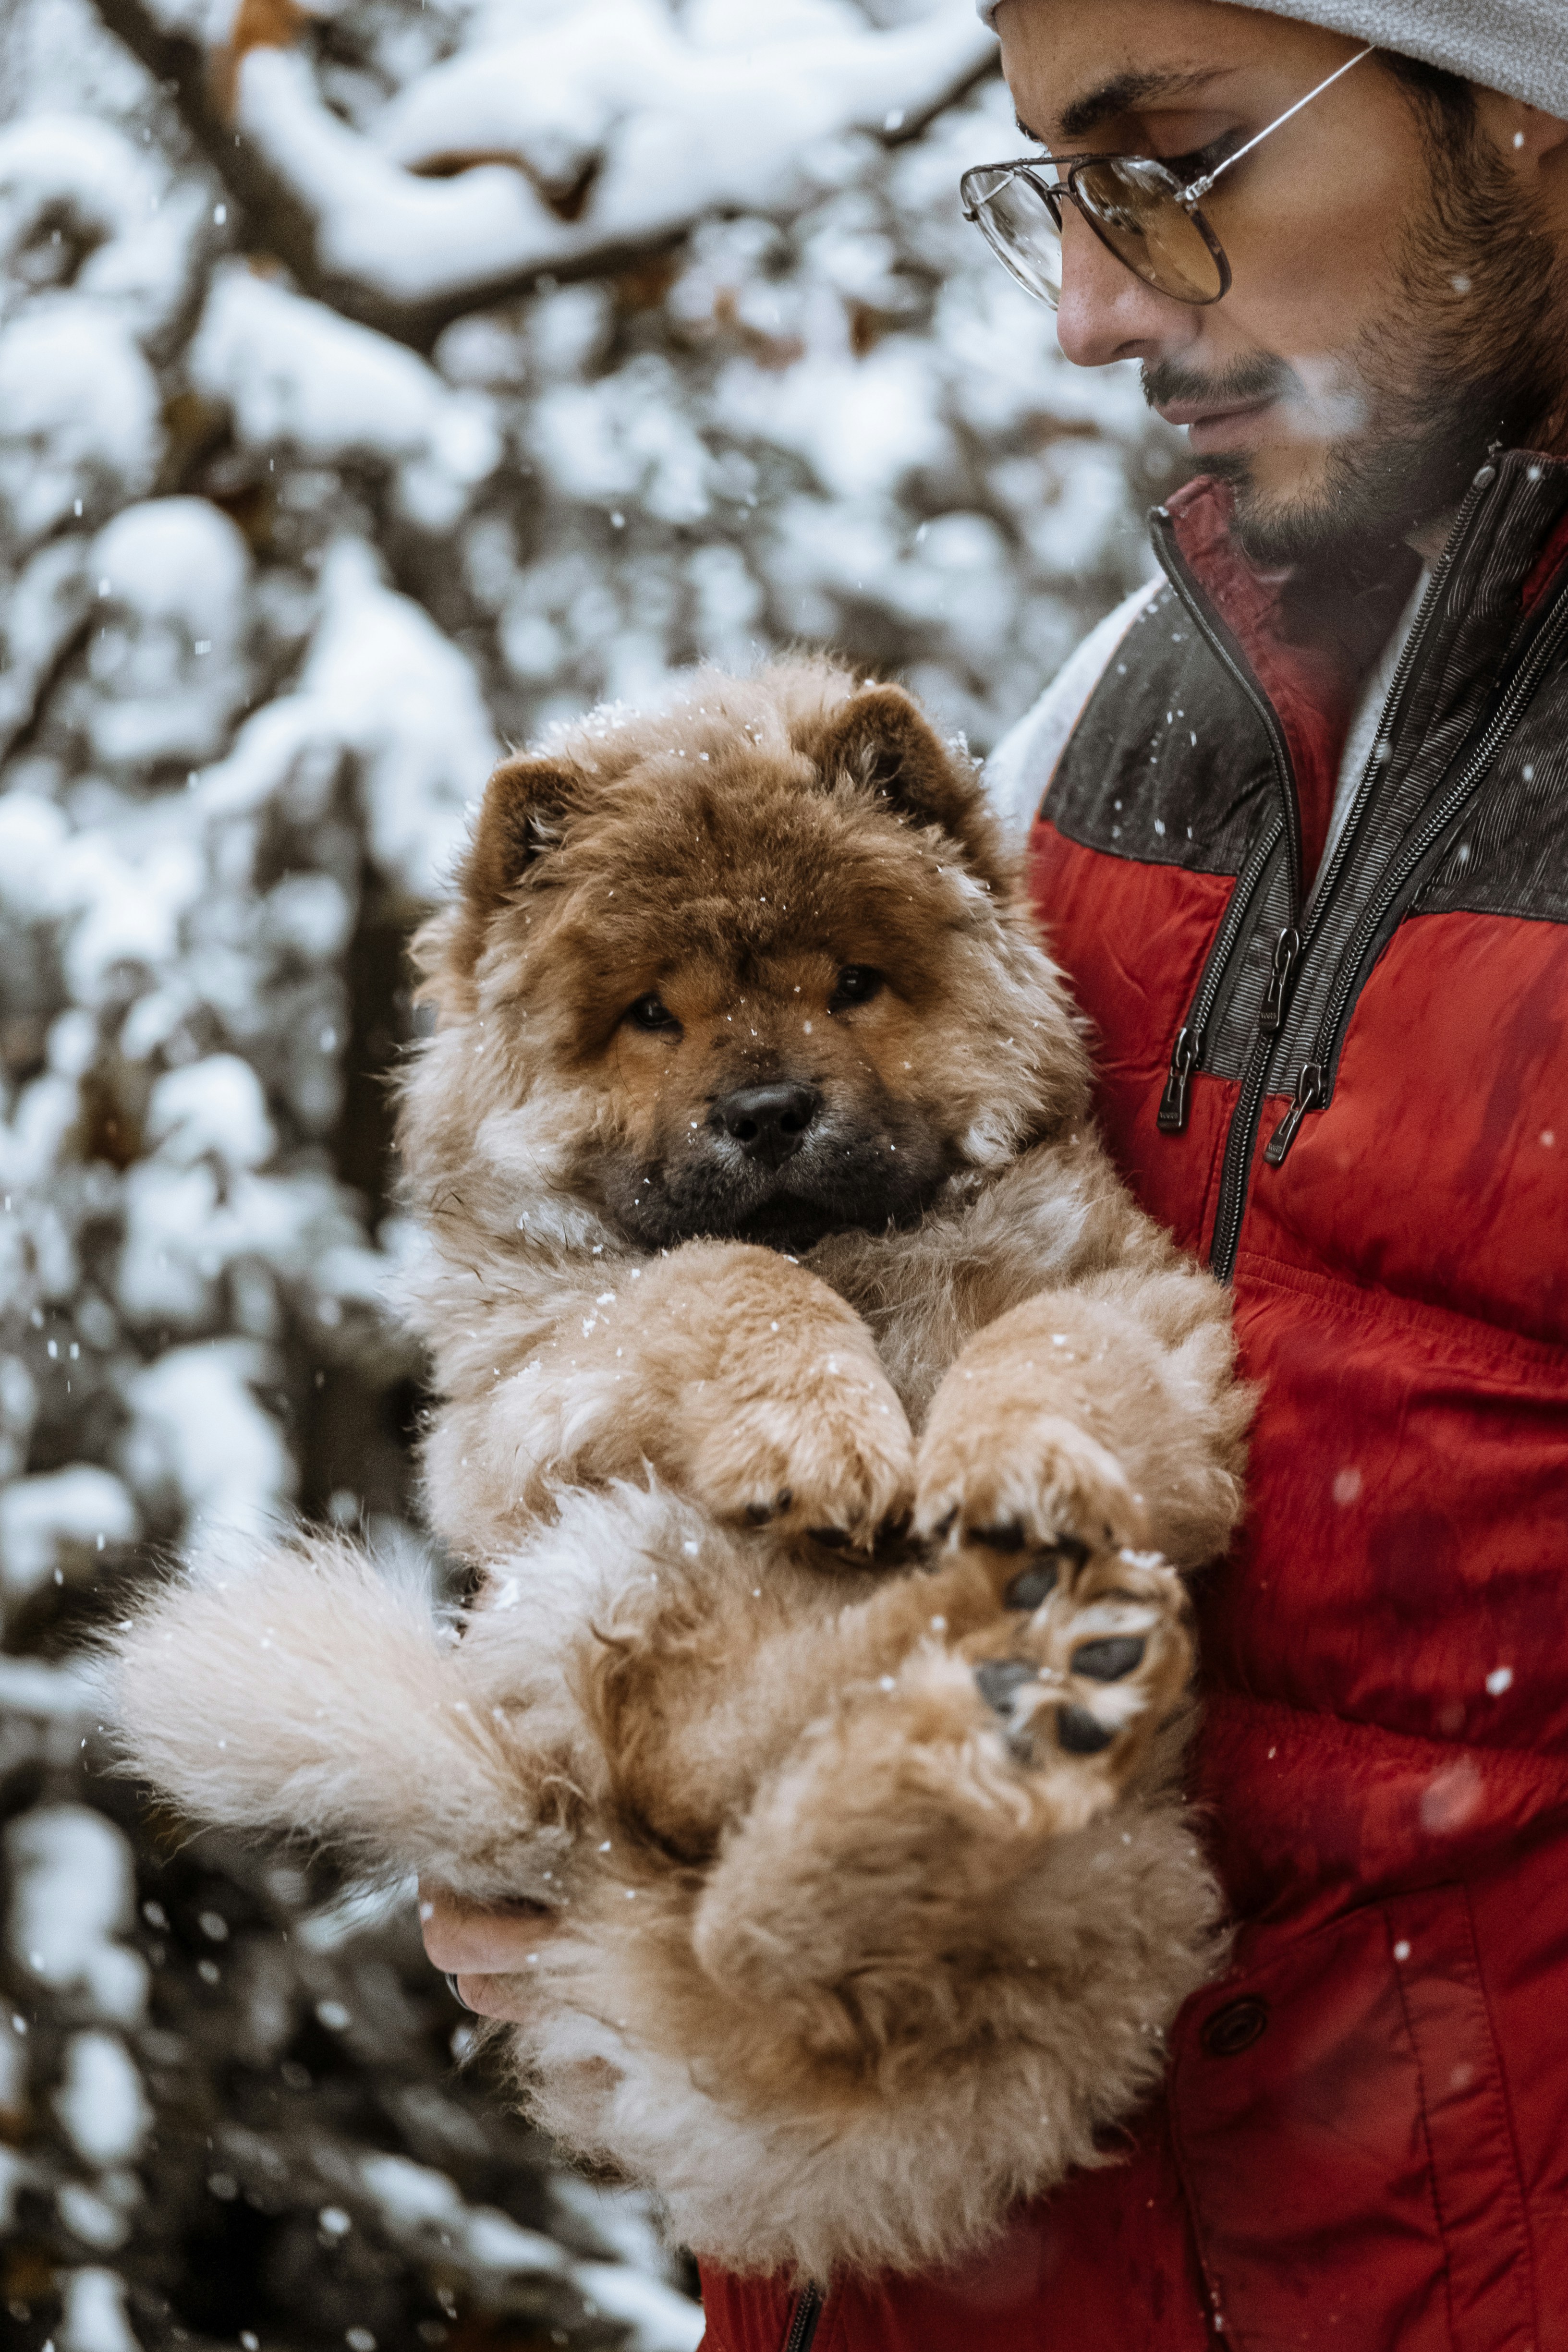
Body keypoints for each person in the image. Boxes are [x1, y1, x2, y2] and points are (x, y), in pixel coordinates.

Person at [425, 2, 1568, 2340]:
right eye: (1047, 187)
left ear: (1531, 105)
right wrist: (621, 1793)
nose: (1088, 306)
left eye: (1169, 166)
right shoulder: (1133, 714)